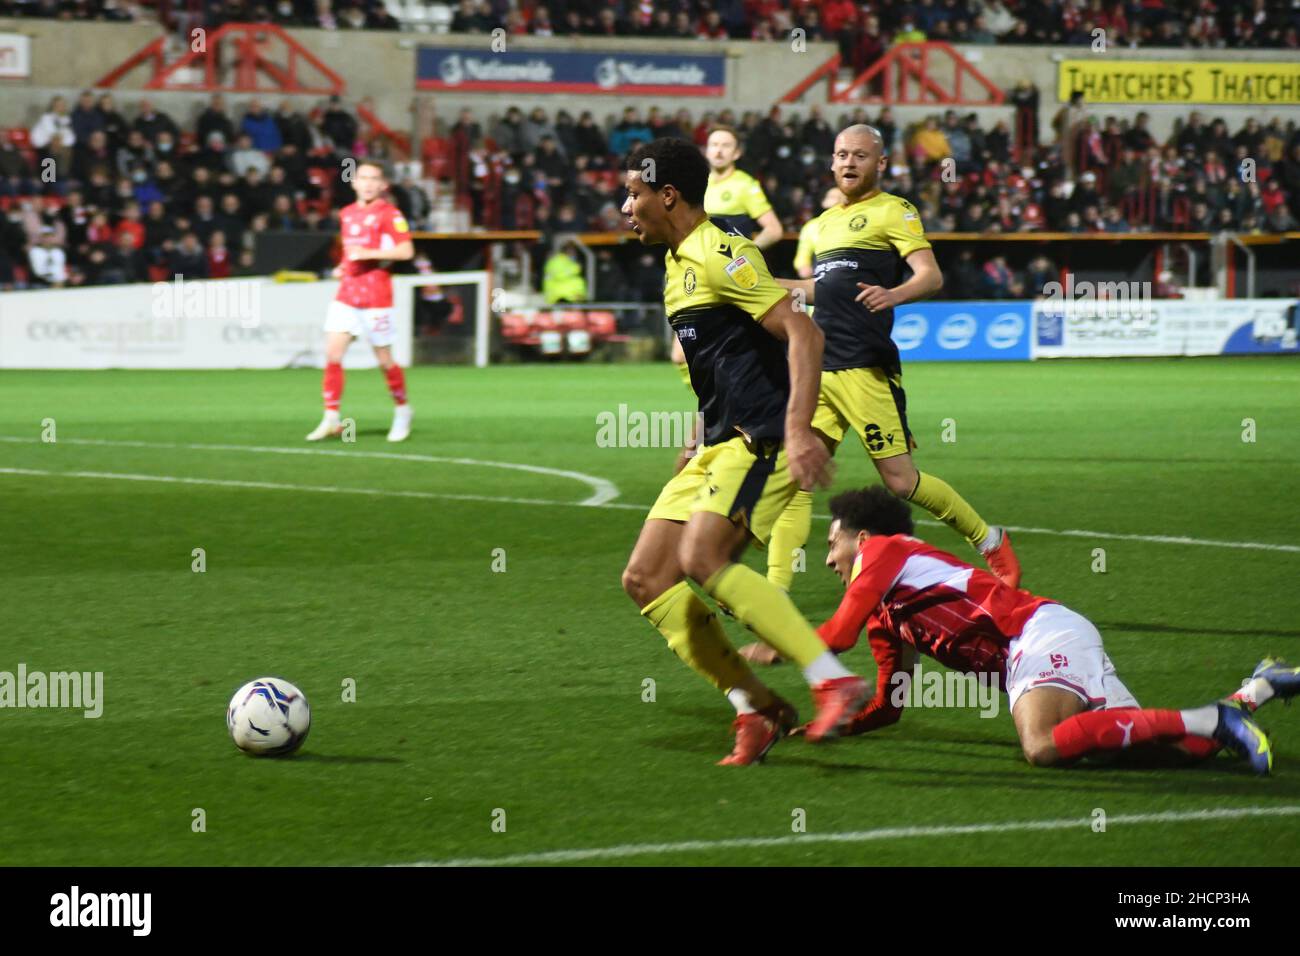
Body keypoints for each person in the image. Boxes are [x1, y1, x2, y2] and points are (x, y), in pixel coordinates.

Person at [619, 137, 870, 767]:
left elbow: (803, 333)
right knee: (646, 579)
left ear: (667, 195)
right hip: (718, 440)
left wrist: (796, 428)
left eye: (634, 193)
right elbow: (723, 363)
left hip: (759, 437)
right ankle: (755, 707)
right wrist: (698, 430)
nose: (626, 207)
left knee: (701, 557)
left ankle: (830, 678)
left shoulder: (720, 253)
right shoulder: (677, 265)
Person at [745, 485, 1287, 775]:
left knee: (1043, 746)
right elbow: (891, 704)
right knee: (1173, 753)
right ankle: (1257, 690)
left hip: (1038, 635)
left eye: (832, 544)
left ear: (862, 539)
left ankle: (1217, 718)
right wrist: (841, 728)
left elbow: (836, 635)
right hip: (1047, 647)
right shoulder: (887, 617)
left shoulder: (887, 551)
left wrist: (782, 644)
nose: (828, 559)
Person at [777, 125, 1020, 590]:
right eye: (842, 154)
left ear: (880, 164)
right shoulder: (823, 225)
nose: (849, 163)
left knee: (901, 482)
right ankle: (774, 592)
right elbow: (819, 291)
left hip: (865, 367)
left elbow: (930, 276)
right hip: (820, 369)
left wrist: (894, 293)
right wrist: (766, 284)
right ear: (831, 162)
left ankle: (989, 539)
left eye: (861, 156)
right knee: (797, 475)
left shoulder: (894, 211)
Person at [306, 160, 416, 443]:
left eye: (374, 179)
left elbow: (406, 251)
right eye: (362, 178)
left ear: (383, 185)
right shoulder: (347, 214)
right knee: (332, 355)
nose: (367, 183)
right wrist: (342, 267)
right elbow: (349, 251)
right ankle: (332, 417)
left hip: (376, 296)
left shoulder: (390, 214)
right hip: (347, 294)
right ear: (353, 182)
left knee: (383, 359)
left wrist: (367, 254)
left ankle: (403, 411)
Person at [702, 126, 784, 250]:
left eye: (726, 145)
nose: (719, 150)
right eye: (714, 145)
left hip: (727, 267)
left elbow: (774, 230)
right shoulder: (696, 182)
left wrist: (745, 255)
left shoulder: (745, 184)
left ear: (736, 153)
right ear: (706, 151)